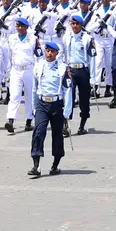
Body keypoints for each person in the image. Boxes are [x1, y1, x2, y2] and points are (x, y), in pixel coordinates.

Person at [28, 41, 70, 177]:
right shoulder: (38, 66)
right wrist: (34, 107)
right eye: (47, 51)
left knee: (57, 135)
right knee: (38, 132)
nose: (49, 54)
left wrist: (67, 112)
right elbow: (34, 88)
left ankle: (55, 164)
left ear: (57, 53)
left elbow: (68, 90)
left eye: (52, 51)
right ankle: (36, 165)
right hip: (42, 103)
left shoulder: (62, 68)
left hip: (56, 104)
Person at [62, 14, 97, 135]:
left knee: (84, 99)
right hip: (70, 70)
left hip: (83, 71)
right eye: (73, 24)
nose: (75, 26)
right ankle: (66, 125)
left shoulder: (87, 38)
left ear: (81, 25)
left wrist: (93, 77)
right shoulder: (67, 37)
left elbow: (92, 58)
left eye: (77, 24)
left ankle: (82, 125)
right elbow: (64, 54)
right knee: (68, 97)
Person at [4, 17, 40, 133]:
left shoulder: (33, 39)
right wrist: (8, 71)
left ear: (26, 27)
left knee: (30, 96)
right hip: (16, 70)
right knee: (14, 96)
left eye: (22, 26)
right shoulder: (12, 38)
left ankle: (29, 120)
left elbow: (39, 56)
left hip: (29, 69)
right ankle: (10, 121)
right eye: (18, 26)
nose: (19, 28)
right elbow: (9, 56)